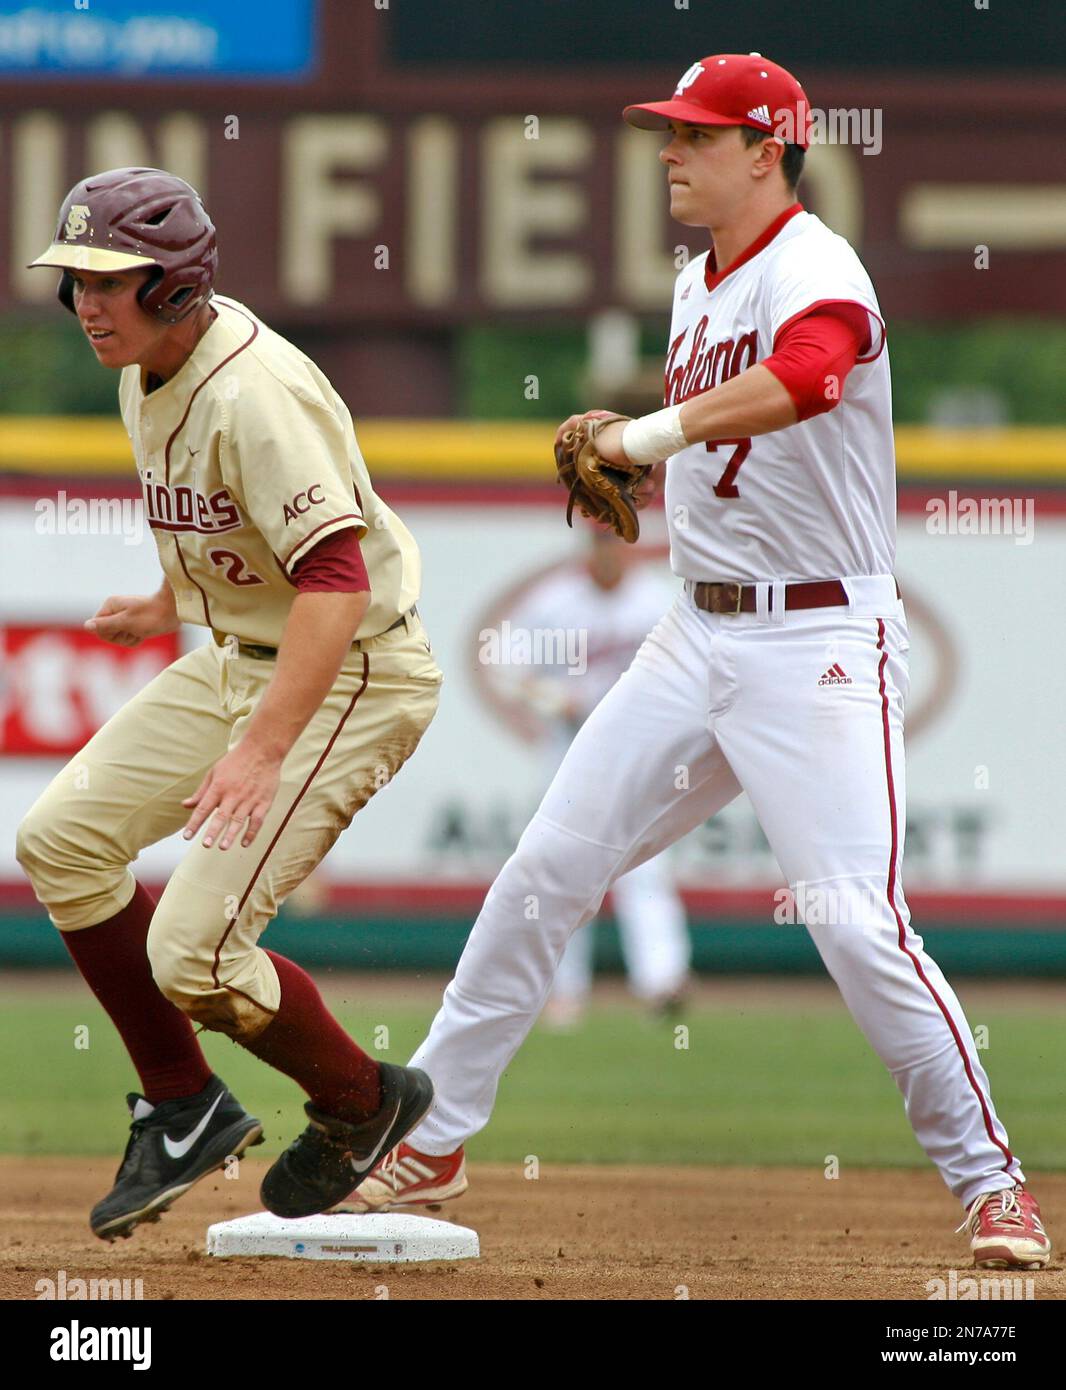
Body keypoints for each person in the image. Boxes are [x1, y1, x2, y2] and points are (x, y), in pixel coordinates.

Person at [344, 55, 1051, 1273]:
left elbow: (810, 377)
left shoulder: (817, 266)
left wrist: (645, 432)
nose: (669, 153)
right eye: (668, 134)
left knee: (852, 921)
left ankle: (993, 1186)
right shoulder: (692, 284)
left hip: (816, 642)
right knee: (544, 870)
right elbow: (721, 447)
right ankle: (436, 1135)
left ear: (765, 150)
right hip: (692, 631)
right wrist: (634, 458)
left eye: (694, 136)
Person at [17, 167, 440, 1240]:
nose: (86, 304)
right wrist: (170, 599)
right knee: (61, 842)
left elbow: (335, 583)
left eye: (109, 280)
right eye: (74, 281)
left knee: (194, 954)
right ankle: (182, 1104)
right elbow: (227, 528)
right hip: (242, 651)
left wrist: (260, 752)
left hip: (350, 669)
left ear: (174, 285)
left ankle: (362, 1105)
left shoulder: (255, 393)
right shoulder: (141, 366)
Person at [506, 531, 690, 1025]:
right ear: (588, 546)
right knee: (563, 868)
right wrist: (553, 698)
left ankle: (662, 982)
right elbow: (513, 671)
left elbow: (685, 676)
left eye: (615, 541)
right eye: (600, 541)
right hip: (568, 751)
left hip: (636, 754)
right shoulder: (553, 601)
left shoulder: (655, 599)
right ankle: (564, 991)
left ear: (628, 546)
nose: (608, 551)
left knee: (646, 867)